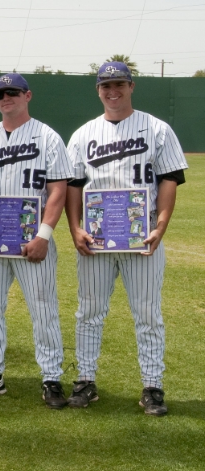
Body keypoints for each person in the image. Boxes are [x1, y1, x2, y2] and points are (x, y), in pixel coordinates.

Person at [64, 62, 188, 416]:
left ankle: (152, 386)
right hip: (96, 239)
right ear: (98, 90)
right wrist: (75, 228)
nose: (112, 91)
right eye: (105, 85)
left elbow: (168, 180)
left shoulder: (157, 129)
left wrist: (160, 226)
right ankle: (85, 380)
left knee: (148, 313)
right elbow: (74, 185)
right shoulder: (83, 134)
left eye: (118, 84)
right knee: (88, 311)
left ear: (131, 86)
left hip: (141, 237)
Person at [0, 73, 74, 409]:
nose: (6, 98)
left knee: (43, 310)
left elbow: (58, 190)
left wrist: (44, 236)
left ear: (27, 95)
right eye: (0, 94)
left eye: (13, 92)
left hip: (31, 242)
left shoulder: (48, 137)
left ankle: (51, 378)